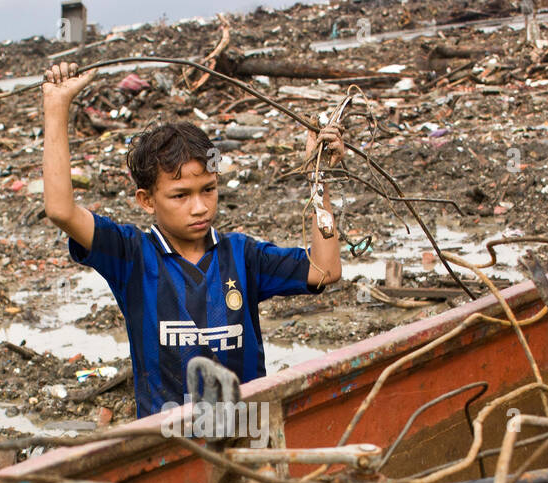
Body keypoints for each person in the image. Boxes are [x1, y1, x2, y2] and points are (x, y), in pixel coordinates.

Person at [41, 61, 344, 419]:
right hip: (168, 443)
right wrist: (56, 106)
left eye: (209, 190)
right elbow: (60, 209)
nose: (200, 207)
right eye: (180, 195)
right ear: (147, 199)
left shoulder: (242, 256)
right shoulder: (131, 257)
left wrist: (319, 175)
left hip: (247, 432)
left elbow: (324, 269)